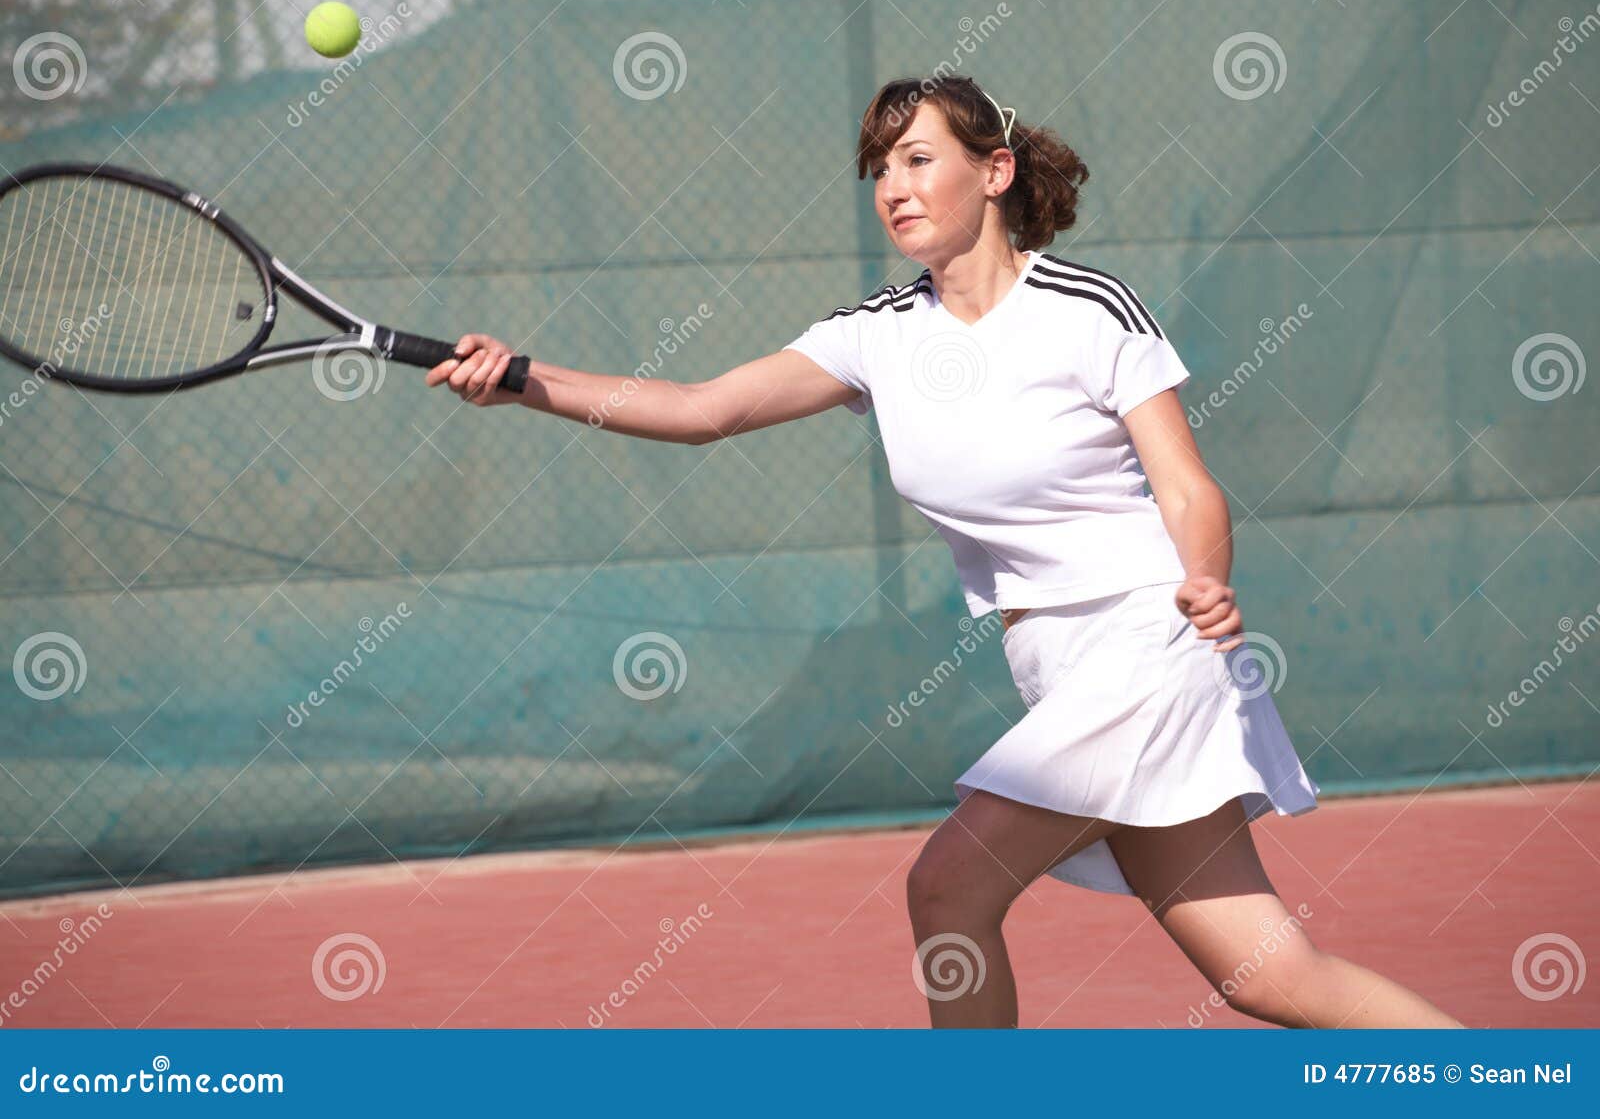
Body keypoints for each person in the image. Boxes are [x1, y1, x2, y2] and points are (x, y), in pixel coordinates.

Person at [425, 74, 1464, 1030]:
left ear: (995, 171)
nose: (893, 185)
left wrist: (1206, 575)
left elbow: (1186, 482)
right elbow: (701, 409)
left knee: (946, 884)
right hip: (1055, 665)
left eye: (918, 158)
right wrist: (520, 375)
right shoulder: (876, 334)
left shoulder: (1087, 308)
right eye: (880, 167)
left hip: (1148, 639)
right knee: (1274, 979)